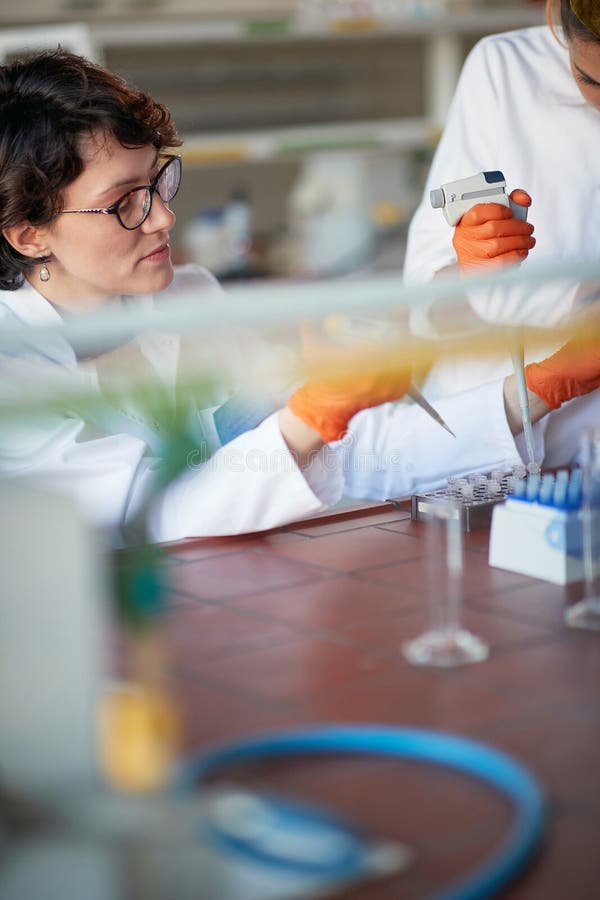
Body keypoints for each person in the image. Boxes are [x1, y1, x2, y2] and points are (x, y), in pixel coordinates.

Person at [0, 48, 413, 543]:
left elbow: (349, 446)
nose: (163, 216)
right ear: (29, 235)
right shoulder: (10, 366)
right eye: (122, 203)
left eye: (155, 182)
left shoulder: (189, 298)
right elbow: (154, 513)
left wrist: (508, 404)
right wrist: (310, 417)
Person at [356, 0, 600, 498]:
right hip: (486, 452)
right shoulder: (506, 71)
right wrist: (470, 279)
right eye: (592, 80)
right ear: (557, 18)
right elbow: (429, 308)